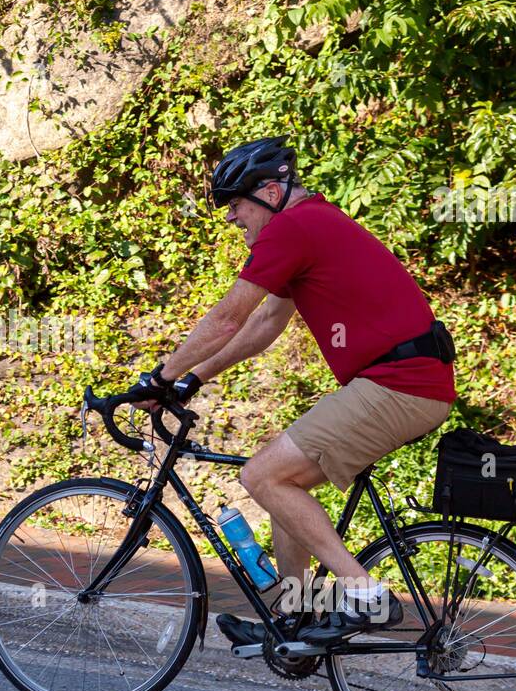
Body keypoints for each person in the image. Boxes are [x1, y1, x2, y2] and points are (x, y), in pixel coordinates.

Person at [132, 136, 456, 645]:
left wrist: (161, 377)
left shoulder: (292, 228)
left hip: (398, 384)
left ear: (270, 191)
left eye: (237, 205)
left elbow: (225, 318)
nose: (234, 218)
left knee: (264, 476)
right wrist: (193, 378)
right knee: (285, 485)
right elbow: (263, 325)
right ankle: (295, 622)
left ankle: (366, 595)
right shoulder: (312, 225)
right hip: (404, 383)